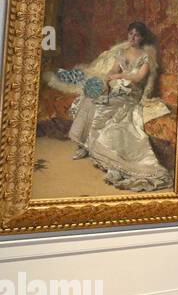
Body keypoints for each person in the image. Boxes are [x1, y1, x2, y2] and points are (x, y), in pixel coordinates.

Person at [66, 21, 170, 192]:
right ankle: (85, 145)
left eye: (136, 35)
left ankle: (100, 151)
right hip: (116, 88)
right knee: (90, 99)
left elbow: (138, 78)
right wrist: (107, 81)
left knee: (103, 108)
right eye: (130, 34)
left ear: (141, 37)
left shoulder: (145, 56)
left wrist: (120, 75)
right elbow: (111, 71)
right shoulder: (122, 53)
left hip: (130, 94)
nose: (132, 37)